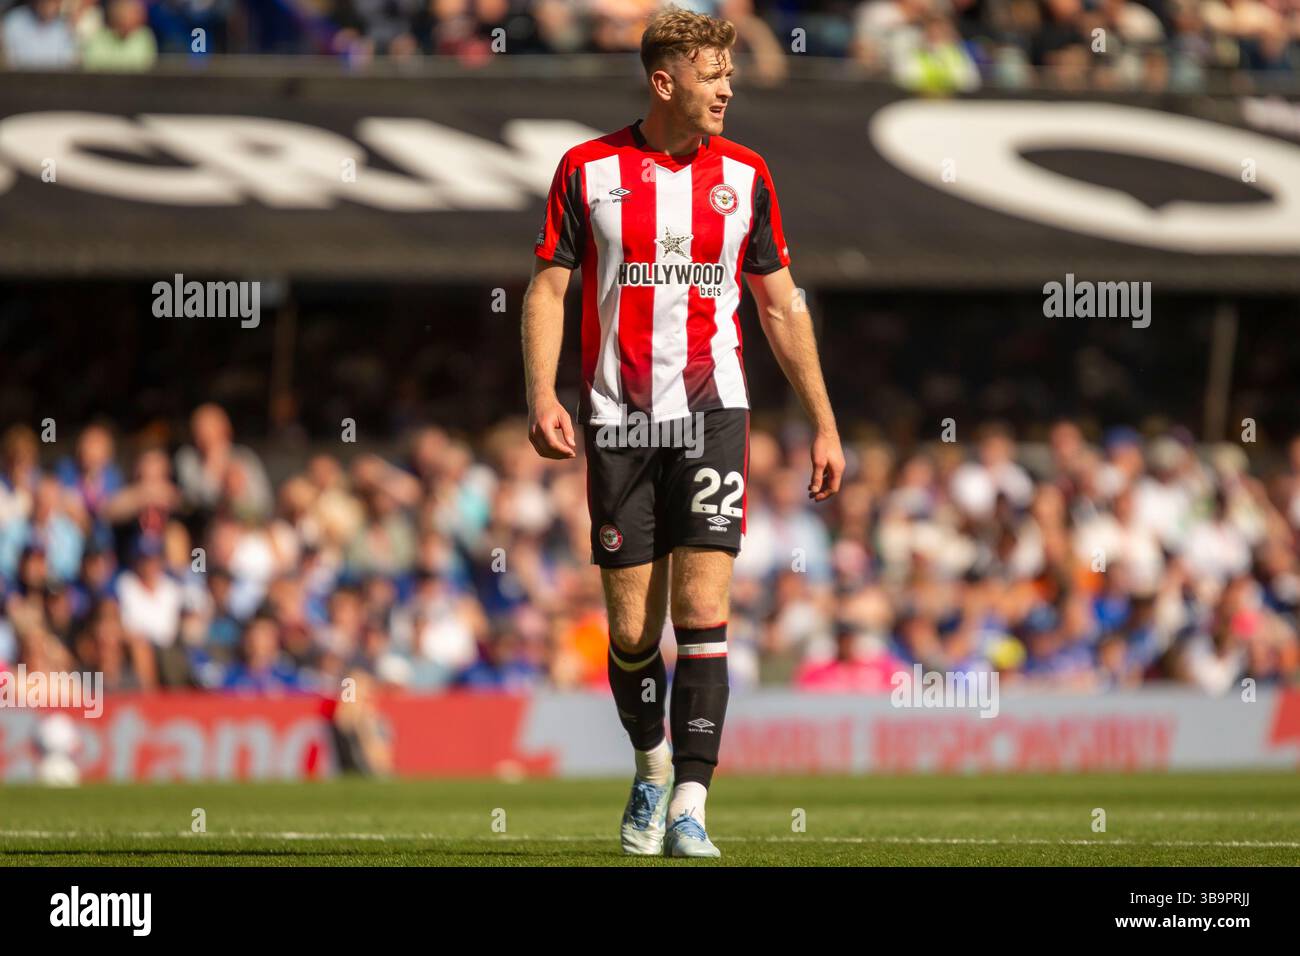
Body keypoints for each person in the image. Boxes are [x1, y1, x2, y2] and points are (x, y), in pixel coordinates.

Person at [520, 4, 844, 858]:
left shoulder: (748, 176)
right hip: (617, 419)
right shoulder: (588, 171)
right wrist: (541, 394)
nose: (728, 89)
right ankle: (654, 766)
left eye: (730, 76)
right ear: (665, 82)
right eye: (713, 76)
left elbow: (779, 304)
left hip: (713, 415)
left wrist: (823, 421)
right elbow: (548, 289)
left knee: (704, 613)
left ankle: (693, 805)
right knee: (632, 634)